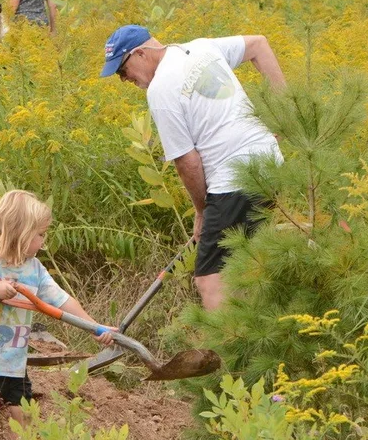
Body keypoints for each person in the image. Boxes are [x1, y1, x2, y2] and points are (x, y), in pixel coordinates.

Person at [100, 25, 286, 310]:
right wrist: (284, 113)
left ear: (140, 53)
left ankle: (229, 350)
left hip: (233, 179)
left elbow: (187, 161)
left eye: (122, 71)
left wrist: (202, 211)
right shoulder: (200, 48)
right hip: (271, 162)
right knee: (247, 263)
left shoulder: (161, 89)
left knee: (210, 280)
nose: (125, 80)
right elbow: (259, 44)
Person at [0, 190, 114, 440]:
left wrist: (95, 326)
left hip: (13, 363)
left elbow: (61, 300)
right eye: (41, 234)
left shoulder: (34, 269)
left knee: (22, 416)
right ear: (19, 233)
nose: (44, 241)